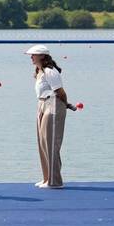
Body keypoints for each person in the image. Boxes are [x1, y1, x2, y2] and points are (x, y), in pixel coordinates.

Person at [26, 44, 77, 188]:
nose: (31, 57)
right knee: (42, 142)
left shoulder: (50, 72)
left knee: (51, 142)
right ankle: (46, 178)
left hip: (53, 105)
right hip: (42, 104)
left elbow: (60, 92)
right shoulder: (39, 71)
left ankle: (55, 181)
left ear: (42, 56)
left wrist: (66, 105)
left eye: (34, 54)